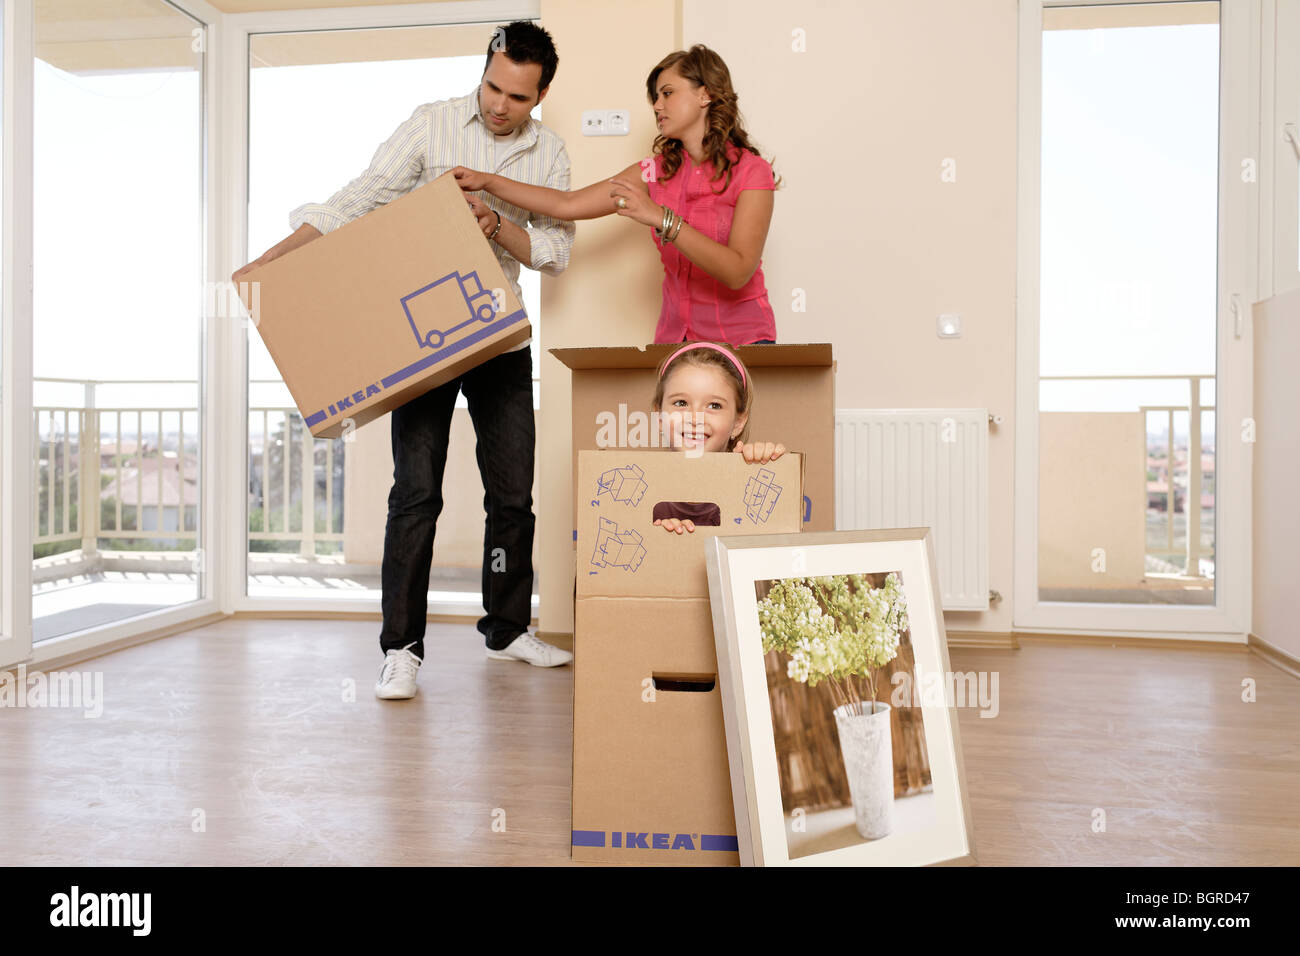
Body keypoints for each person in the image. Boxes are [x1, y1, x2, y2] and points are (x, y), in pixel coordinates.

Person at [232, 22, 577, 700]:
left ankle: (507, 628)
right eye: (492, 87)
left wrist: (493, 221)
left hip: (498, 338)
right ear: (482, 72)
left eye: (517, 97)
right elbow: (358, 200)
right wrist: (275, 261)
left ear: (540, 96)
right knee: (416, 493)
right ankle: (402, 647)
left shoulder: (551, 154)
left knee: (513, 494)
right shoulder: (431, 125)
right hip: (422, 341)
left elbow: (555, 251)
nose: (499, 105)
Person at [451, 44, 779, 346]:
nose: (657, 105)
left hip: (743, 343)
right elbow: (568, 204)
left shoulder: (751, 171)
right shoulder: (655, 171)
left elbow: (738, 272)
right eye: (655, 96)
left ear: (705, 94)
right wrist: (487, 181)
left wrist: (661, 218)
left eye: (667, 93)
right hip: (676, 343)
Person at [649, 342, 785, 535]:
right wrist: (658, 538)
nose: (695, 418)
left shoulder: (747, 483)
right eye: (681, 403)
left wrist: (765, 463)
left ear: (738, 422)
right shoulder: (645, 492)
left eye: (714, 406)